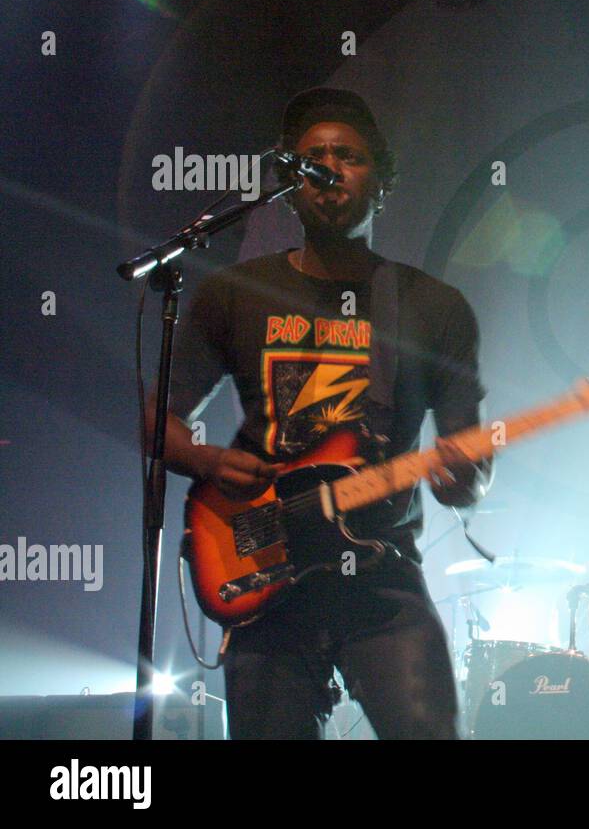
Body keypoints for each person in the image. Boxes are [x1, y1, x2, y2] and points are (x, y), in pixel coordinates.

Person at [147, 87, 491, 738]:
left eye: (350, 157)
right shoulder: (234, 295)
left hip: (382, 579)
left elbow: (469, 463)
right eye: (314, 159)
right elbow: (155, 422)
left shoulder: (432, 307)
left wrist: (466, 479)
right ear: (289, 183)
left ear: (380, 181)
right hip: (265, 577)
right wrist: (211, 459)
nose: (330, 170)